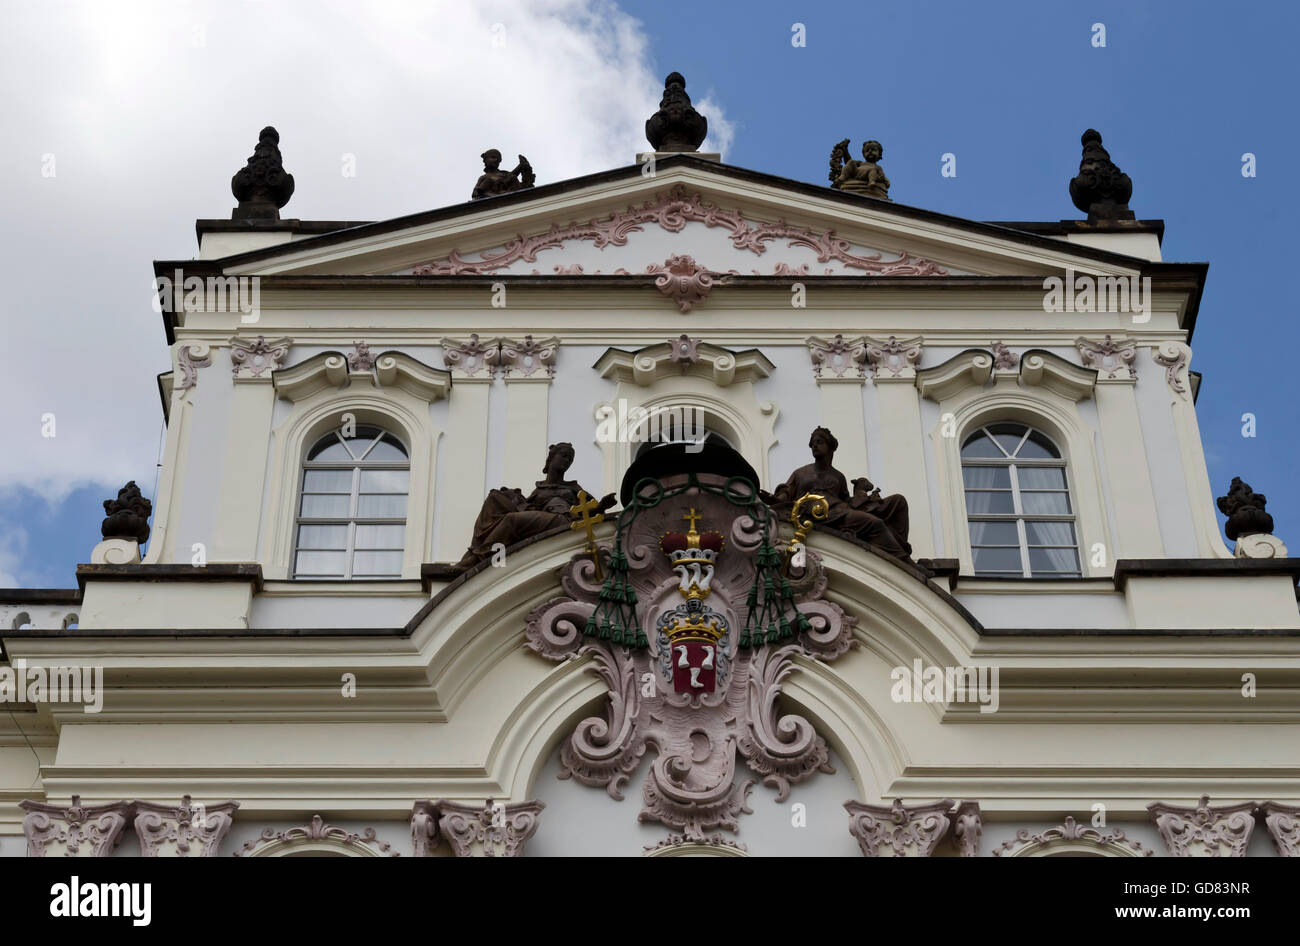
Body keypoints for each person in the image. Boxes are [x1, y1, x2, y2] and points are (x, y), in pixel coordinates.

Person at [454, 442, 614, 570]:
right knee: (494, 498)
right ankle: (473, 553)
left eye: (569, 459)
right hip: (544, 521)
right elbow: (528, 509)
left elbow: (588, 511)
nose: (567, 461)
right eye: (564, 456)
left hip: (562, 520)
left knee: (511, 520)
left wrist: (601, 507)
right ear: (552, 458)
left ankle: (478, 557)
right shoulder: (539, 490)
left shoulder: (572, 487)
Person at [765, 427, 911, 559]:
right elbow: (786, 492)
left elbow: (846, 501)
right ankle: (901, 559)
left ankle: (901, 554)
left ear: (830, 448)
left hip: (838, 513)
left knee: (896, 502)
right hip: (811, 514)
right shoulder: (801, 473)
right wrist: (775, 499)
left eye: (819, 442)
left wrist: (865, 499)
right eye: (813, 443)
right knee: (876, 523)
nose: (815, 445)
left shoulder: (838, 477)